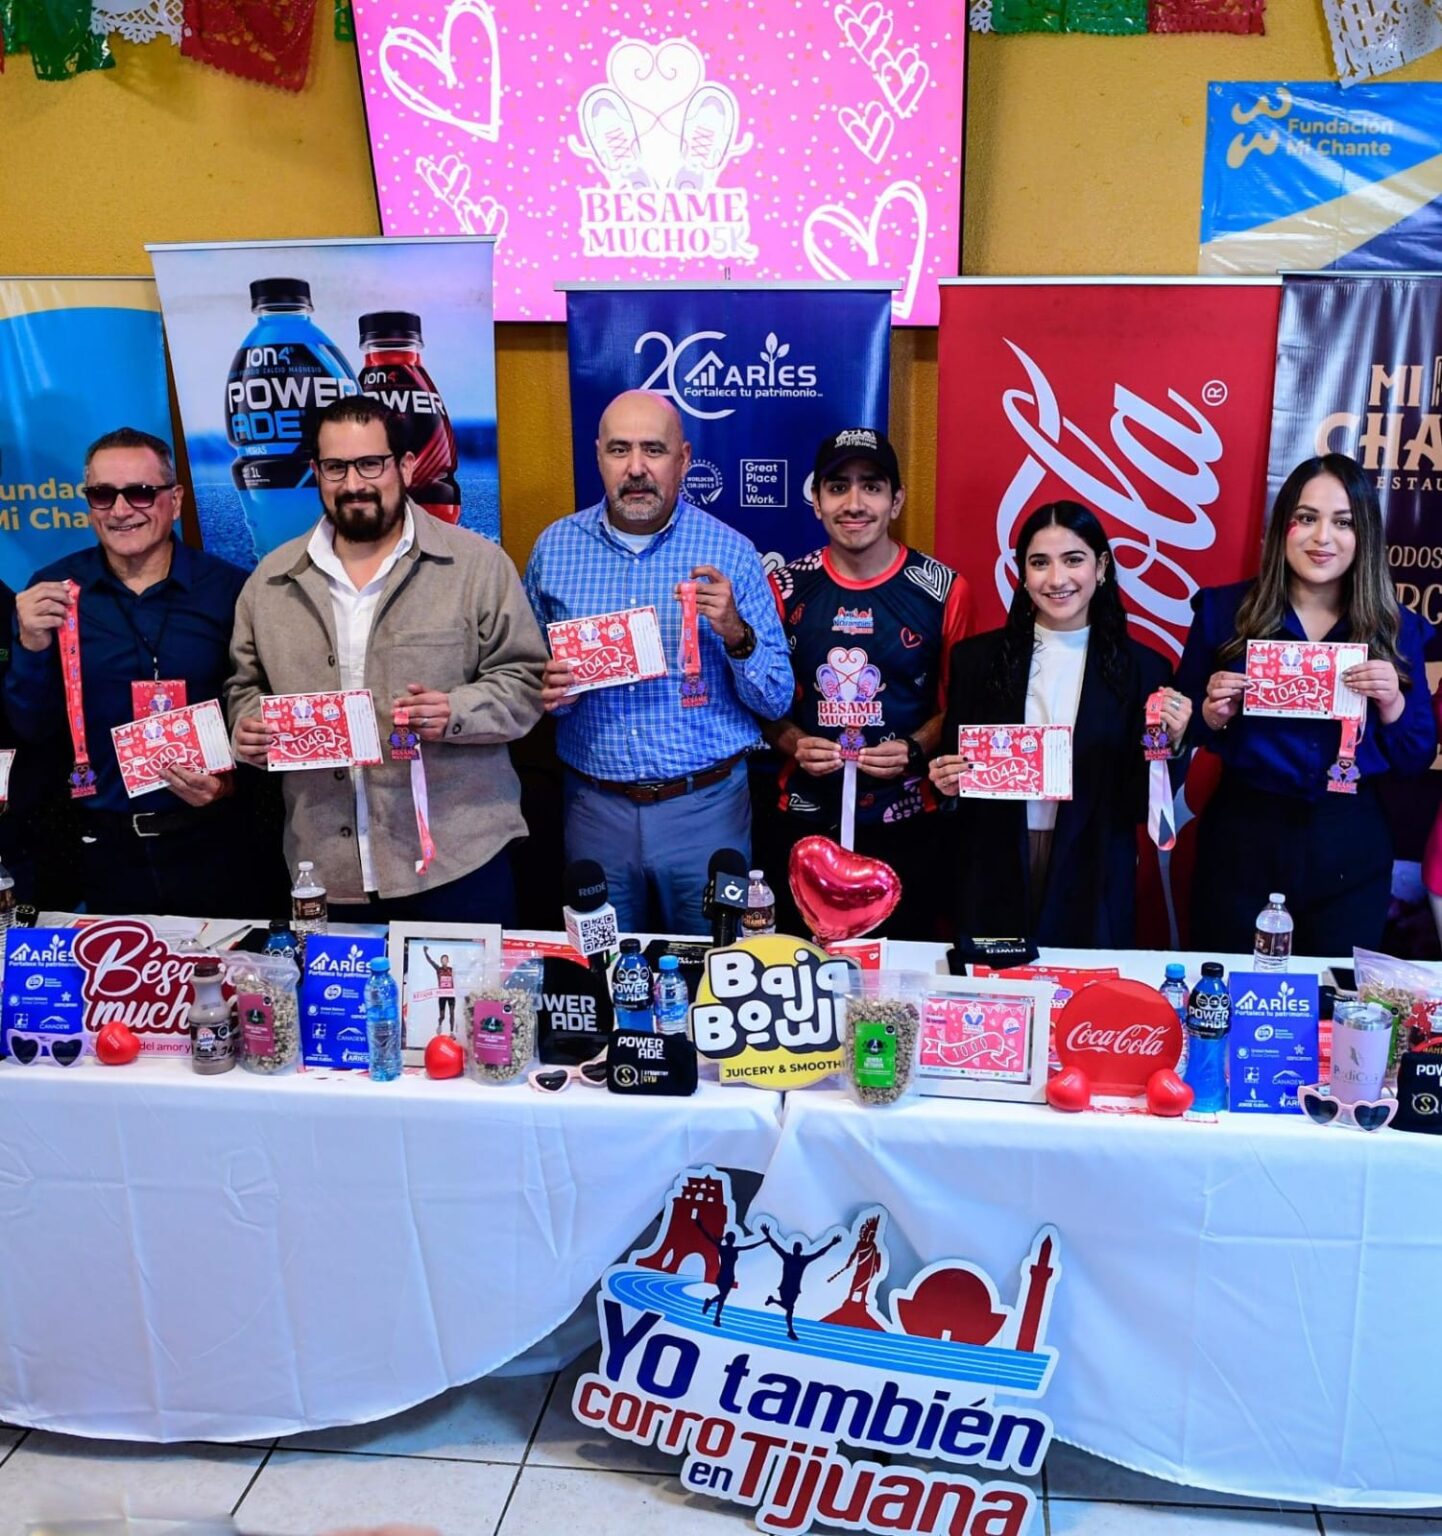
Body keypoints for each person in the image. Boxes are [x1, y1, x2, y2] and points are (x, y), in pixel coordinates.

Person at [228, 396, 547, 923]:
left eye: (370, 464)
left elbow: (526, 681)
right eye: (335, 467)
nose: (354, 483)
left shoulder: (476, 566)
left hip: (458, 863)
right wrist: (247, 727)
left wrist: (457, 711)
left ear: (405, 465)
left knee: (471, 1008)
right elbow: (244, 687)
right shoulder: (270, 581)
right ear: (316, 472)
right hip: (324, 872)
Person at [523, 389, 792, 934]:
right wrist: (543, 690)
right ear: (598, 455)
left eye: (654, 450)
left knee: (718, 968)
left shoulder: (732, 552)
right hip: (594, 809)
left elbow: (777, 697)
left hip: (706, 809)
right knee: (602, 973)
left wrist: (737, 634)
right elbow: (524, 678)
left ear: (685, 459)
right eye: (620, 450)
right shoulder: (554, 550)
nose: (637, 468)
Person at [1177, 453, 1435, 955]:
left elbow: (1414, 757)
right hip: (1243, 835)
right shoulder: (1223, 612)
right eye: (1307, 518)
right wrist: (1208, 715)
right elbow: (1181, 730)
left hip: (1349, 842)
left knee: (1330, 1005)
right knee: (1227, 994)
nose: (1323, 538)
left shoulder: (1396, 629)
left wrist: (1391, 705)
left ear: (1365, 535)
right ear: (1283, 529)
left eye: (1342, 522)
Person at [3, 428, 264, 917]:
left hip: (216, 843)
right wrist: (31, 644)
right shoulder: (53, 592)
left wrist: (230, 782)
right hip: (98, 852)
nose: (121, 510)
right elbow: (31, 727)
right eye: (103, 494)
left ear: (176, 498)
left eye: (141, 492)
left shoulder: (230, 590)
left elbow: (254, 706)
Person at [930, 501, 1189, 948]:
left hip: (1093, 868)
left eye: (1073, 559)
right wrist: (944, 781)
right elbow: (953, 771)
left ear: (1101, 566)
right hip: (993, 864)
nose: (1056, 579)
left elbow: (1142, 800)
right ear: (1022, 574)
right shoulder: (977, 660)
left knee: (1084, 1003)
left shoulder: (1145, 670)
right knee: (996, 1006)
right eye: (1039, 563)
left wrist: (1174, 744)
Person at [760, 428, 971, 939]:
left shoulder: (943, 589)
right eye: (838, 487)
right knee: (806, 972)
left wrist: (914, 750)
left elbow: (961, 706)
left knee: (899, 990)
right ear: (816, 501)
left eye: (871, 486)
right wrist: (793, 742)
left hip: (907, 821)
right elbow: (759, 700)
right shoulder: (783, 586)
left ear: (896, 500)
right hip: (806, 817)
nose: (854, 503)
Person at [758, 1222, 842, 1342]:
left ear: (799, 1249)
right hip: (786, 1288)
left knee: (789, 1308)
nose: (797, 1249)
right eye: (796, 1248)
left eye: (798, 1248)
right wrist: (767, 1234)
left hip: (793, 1289)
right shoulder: (791, 1258)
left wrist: (831, 1244)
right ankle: (790, 1331)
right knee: (790, 1308)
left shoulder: (801, 1259)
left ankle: (774, 1302)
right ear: (795, 1249)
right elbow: (775, 1246)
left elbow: (819, 1253)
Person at [423, 947, 456, 1032]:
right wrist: (425, 952)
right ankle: (440, 1024)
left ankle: (451, 1032)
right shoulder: (438, 969)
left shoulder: (452, 970)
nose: (444, 961)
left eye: (446, 959)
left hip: (451, 995)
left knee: (452, 1013)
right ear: (441, 961)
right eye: (443, 960)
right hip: (442, 995)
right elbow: (430, 961)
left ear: (448, 961)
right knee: (442, 1016)